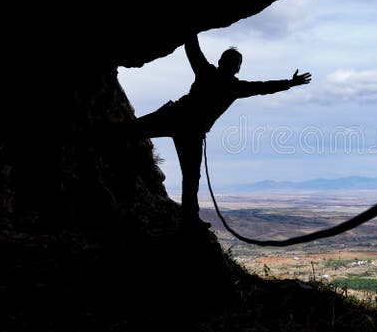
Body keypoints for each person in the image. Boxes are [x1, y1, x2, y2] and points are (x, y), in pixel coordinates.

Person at [128, 34, 311, 228]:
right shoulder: (234, 86)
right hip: (190, 129)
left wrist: (191, 30)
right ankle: (189, 219)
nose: (233, 65)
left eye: (234, 62)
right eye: (233, 62)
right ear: (235, 66)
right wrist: (290, 83)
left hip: (175, 117)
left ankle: (98, 137)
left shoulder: (208, 73)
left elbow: (193, 49)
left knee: (132, 132)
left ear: (222, 62)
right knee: (190, 176)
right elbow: (264, 87)